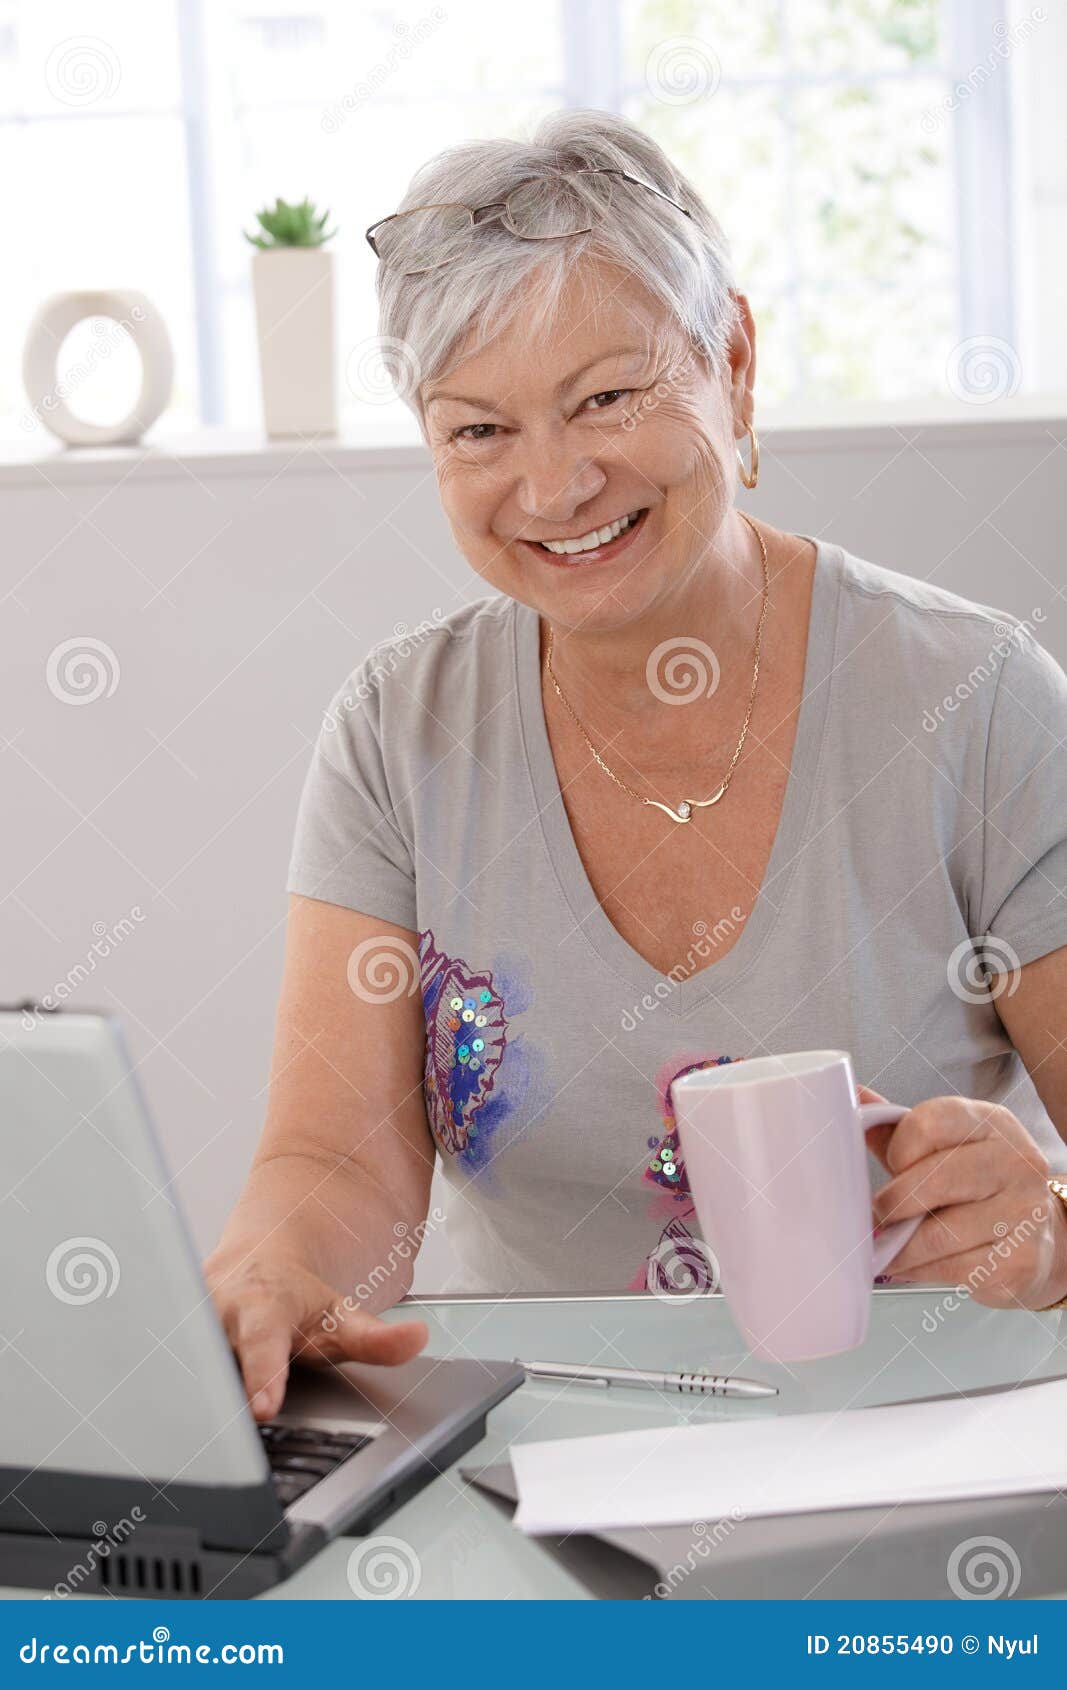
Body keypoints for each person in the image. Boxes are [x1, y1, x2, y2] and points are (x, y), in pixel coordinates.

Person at [206, 110, 1067, 1420]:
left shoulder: (976, 696)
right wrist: (275, 1269)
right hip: (545, 1445)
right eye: (479, 430)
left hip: (912, 1437)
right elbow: (336, 1161)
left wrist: (1051, 1217)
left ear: (732, 360)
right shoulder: (397, 727)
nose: (554, 487)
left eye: (606, 396)